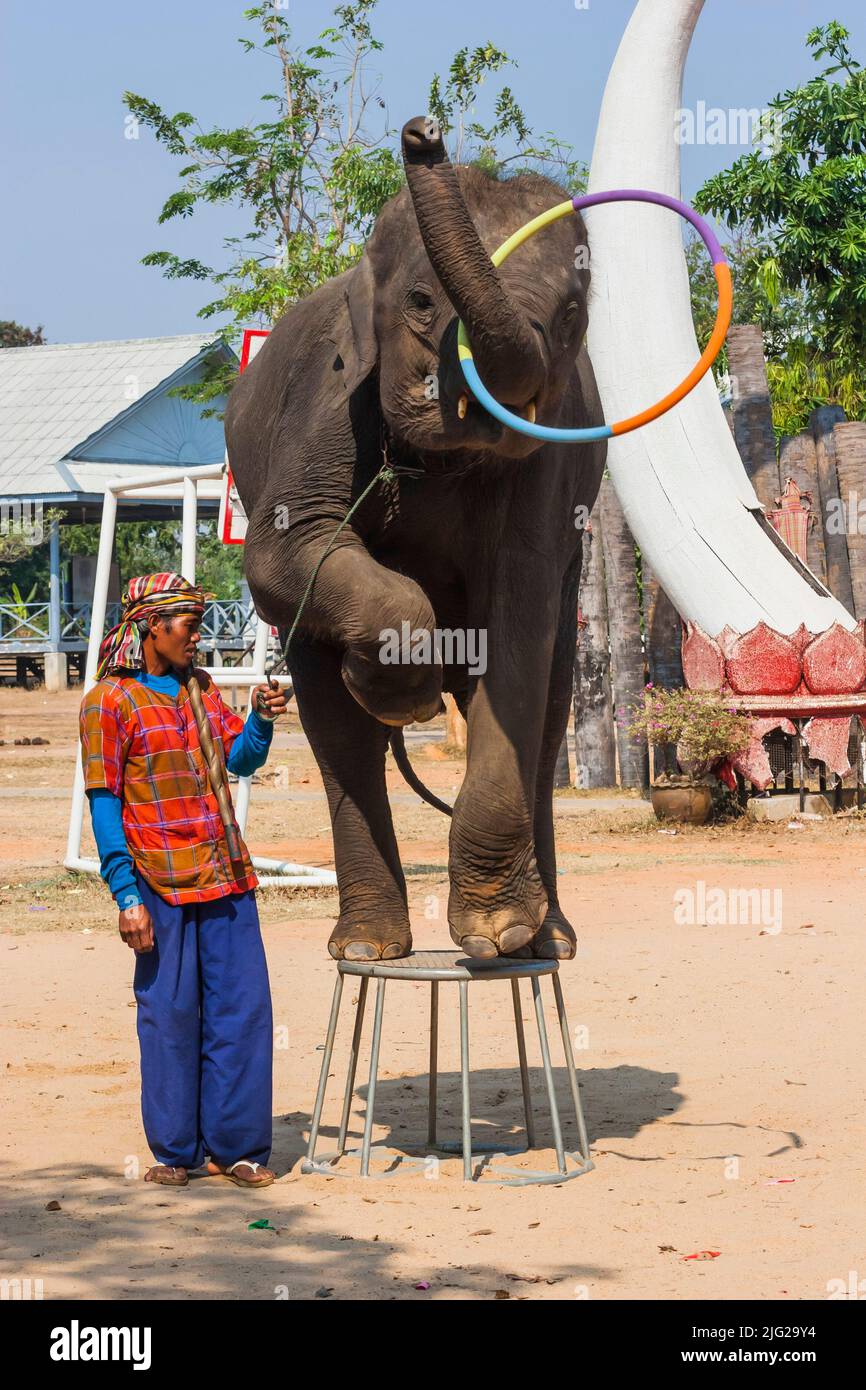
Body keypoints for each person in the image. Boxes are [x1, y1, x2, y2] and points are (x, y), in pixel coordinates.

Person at [78, 572, 287, 1189]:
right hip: (157, 885)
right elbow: (103, 802)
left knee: (242, 1012)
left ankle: (239, 1148)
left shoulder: (200, 688)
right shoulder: (107, 703)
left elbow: (241, 759)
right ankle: (175, 1152)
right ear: (151, 628)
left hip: (225, 877)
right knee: (169, 1015)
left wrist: (261, 721)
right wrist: (124, 895)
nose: (198, 637)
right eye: (189, 626)